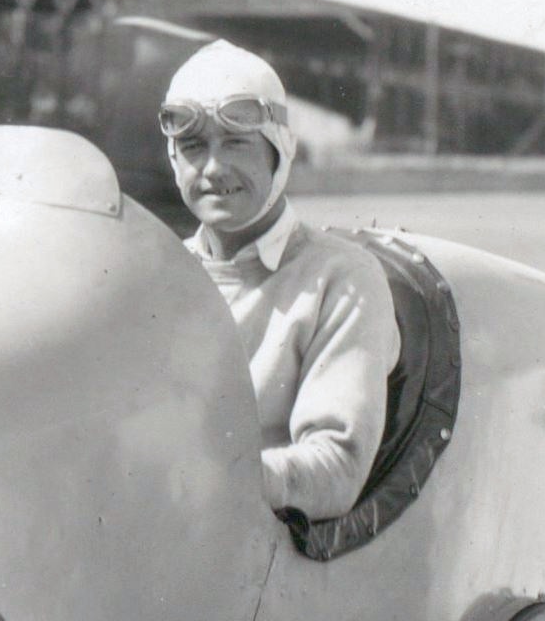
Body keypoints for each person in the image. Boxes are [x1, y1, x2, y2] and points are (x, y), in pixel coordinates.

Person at [166, 41, 400, 523]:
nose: (212, 168)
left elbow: (337, 466)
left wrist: (210, 477)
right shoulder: (158, 274)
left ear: (278, 152)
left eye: (235, 143)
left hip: (256, 554)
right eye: (193, 146)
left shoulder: (342, 279)